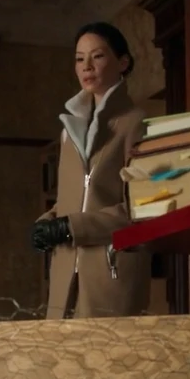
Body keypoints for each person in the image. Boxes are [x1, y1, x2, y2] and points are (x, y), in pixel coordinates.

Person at [30, 22, 152, 320]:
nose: (86, 66)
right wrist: (48, 223)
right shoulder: (70, 131)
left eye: (97, 56)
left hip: (109, 276)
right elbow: (71, 200)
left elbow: (141, 208)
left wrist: (71, 227)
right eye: (79, 58)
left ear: (123, 63)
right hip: (64, 275)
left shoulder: (136, 124)